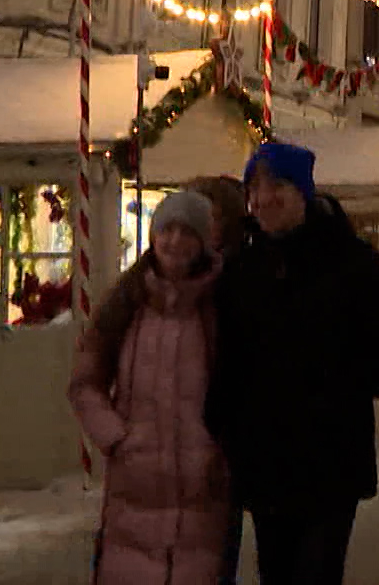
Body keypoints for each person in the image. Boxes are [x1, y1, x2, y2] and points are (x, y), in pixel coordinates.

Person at [207, 143, 379, 585]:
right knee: (275, 570)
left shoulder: (352, 263)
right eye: (254, 188)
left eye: (277, 185)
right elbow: (228, 357)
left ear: (303, 192)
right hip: (264, 460)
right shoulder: (243, 268)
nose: (264, 198)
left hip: (328, 460)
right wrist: (223, 421)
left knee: (317, 571)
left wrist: (327, 394)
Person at [71, 192, 233, 585]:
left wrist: (222, 449)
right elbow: (84, 382)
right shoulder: (126, 303)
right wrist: (117, 437)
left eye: (187, 232)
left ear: (202, 242)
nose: (175, 241)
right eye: (166, 229)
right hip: (135, 484)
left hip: (202, 487)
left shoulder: (222, 306)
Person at [182, 175, 252, 585]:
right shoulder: (158, 274)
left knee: (214, 546)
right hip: (166, 436)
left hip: (219, 432)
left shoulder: (236, 278)